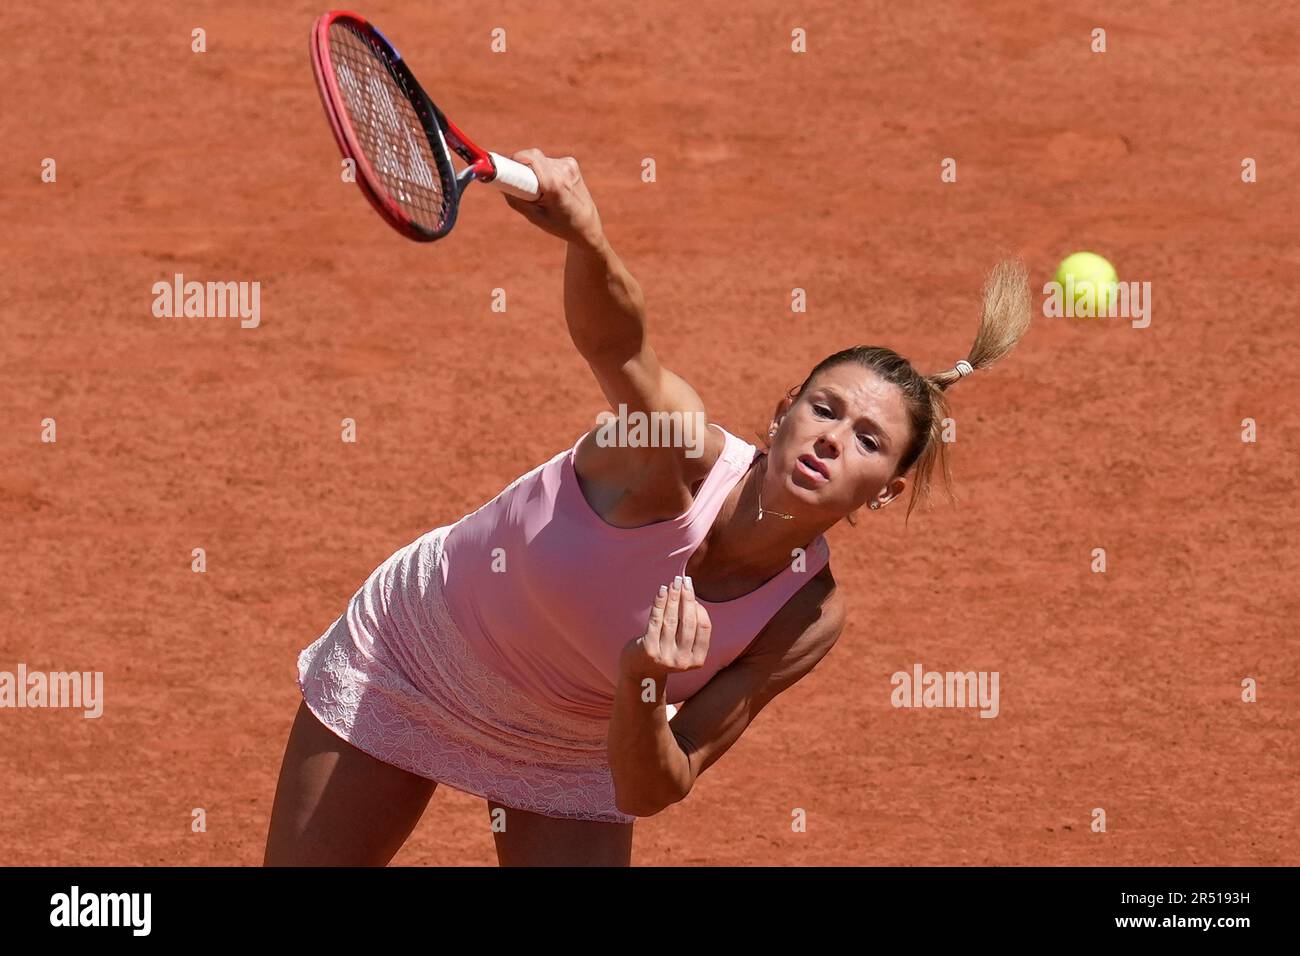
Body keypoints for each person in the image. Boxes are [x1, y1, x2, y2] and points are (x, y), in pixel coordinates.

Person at [263, 149, 1031, 867]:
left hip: (572, 743)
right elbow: (622, 350)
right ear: (781, 411)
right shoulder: (675, 457)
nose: (832, 440)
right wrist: (586, 237)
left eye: (868, 441)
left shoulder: (804, 616)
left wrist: (641, 684)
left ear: (887, 490)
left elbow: (654, 785)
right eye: (824, 410)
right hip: (421, 654)